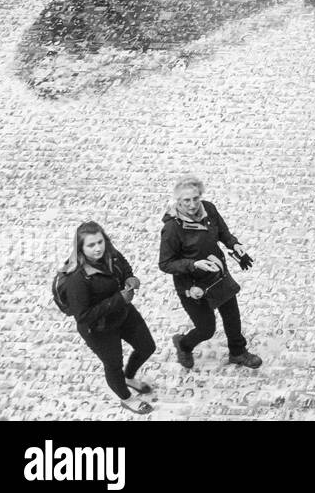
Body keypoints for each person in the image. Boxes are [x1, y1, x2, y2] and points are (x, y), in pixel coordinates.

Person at [160, 176, 262, 370]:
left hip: (217, 275)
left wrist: (236, 246)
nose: (192, 205)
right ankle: (183, 344)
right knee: (206, 329)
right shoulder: (172, 229)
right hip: (192, 285)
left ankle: (238, 352)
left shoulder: (209, 209)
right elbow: (165, 263)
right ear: (178, 202)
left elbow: (223, 233)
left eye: (195, 198)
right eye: (186, 201)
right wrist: (193, 264)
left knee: (232, 316)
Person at [61, 222, 157, 415]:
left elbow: (125, 267)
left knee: (147, 346)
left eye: (100, 241)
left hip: (123, 313)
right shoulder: (76, 278)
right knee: (113, 365)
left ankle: (129, 377)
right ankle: (127, 398)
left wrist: (130, 278)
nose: (98, 248)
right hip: (99, 329)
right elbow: (83, 316)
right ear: (80, 247)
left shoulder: (111, 254)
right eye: (91, 245)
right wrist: (118, 299)